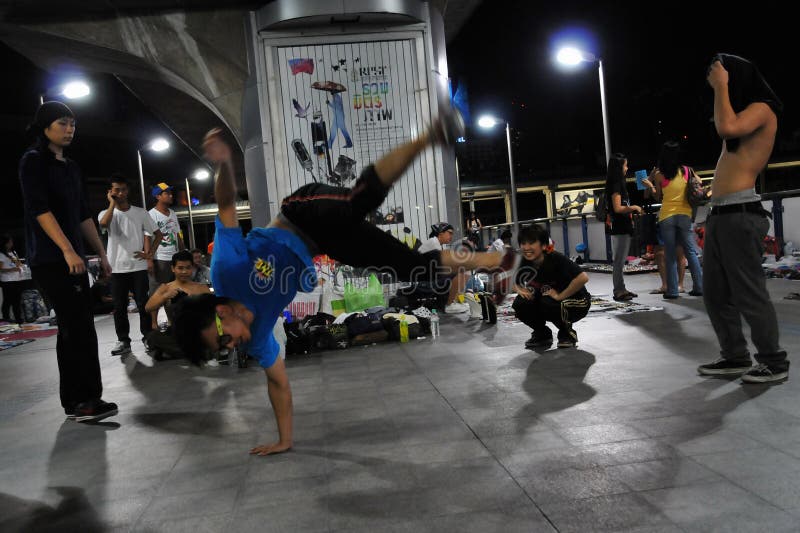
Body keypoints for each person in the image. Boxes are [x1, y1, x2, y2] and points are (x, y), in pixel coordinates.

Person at [173, 112, 516, 456]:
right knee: (413, 268)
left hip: (301, 213)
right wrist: (285, 440)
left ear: (220, 311)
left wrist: (223, 164)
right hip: (325, 244)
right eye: (223, 349)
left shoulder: (227, 270)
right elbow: (277, 382)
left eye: (223, 339)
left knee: (357, 202)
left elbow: (228, 206)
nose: (231, 346)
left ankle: (429, 135)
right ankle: (495, 260)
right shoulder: (257, 336)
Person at [19, 101, 117, 422]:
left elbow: (82, 215)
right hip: (50, 259)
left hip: (73, 258)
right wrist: (66, 250)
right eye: (62, 123)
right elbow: (39, 210)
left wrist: (101, 254)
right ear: (45, 126)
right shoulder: (33, 162)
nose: (69, 129)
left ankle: (77, 401)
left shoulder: (72, 167)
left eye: (73, 124)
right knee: (77, 327)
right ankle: (86, 400)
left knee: (76, 327)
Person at [697, 54, 789, 384]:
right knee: (715, 293)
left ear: (736, 78)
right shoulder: (741, 114)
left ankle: (773, 361)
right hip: (721, 214)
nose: (715, 79)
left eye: (722, 75)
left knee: (748, 293)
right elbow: (727, 128)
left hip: (740, 213)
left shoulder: (763, 109)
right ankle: (735, 356)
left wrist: (720, 86)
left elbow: (727, 127)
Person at [98, 173, 162, 355]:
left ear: (128, 191)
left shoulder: (140, 212)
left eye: (123, 189)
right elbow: (103, 224)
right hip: (117, 268)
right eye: (116, 189)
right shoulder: (105, 213)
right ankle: (123, 341)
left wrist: (150, 254)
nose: (120, 193)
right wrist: (112, 204)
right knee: (119, 307)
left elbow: (158, 234)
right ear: (110, 192)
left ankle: (147, 337)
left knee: (143, 304)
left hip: (138, 267)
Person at [512, 224, 591, 349]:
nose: (526, 248)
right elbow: (513, 281)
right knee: (520, 303)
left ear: (543, 245)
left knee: (549, 302)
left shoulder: (556, 258)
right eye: (523, 243)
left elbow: (583, 278)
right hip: (548, 299)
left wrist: (560, 296)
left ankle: (567, 334)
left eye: (531, 243)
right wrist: (519, 288)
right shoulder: (523, 261)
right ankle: (542, 334)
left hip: (577, 302)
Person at [642, 141, 703, 299]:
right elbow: (700, 183)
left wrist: (650, 185)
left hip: (667, 216)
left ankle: (673, 291)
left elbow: (657, 196)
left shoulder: (659, 174)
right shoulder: (687, 170)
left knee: (669, 254)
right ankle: (699, 287)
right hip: (685, 215)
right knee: (690, 252)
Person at [144, 250, 211, 360]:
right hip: (176, 333)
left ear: (192, 268)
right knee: (152, 337)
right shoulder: (166, 288)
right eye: (180, 268)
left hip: (197, 333)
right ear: (173, 269)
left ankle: (184, 351)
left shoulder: (201, 288)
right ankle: (190, 351)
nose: (184, 271)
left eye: (188, 268)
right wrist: (165, 297)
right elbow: (148, 307)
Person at [604, 153, 641, 301]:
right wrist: (635, 207)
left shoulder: (616, 183)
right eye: (625, 165)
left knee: (620, 260)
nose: (627, 168)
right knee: (619, 260)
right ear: (619, 167)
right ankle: (619, 290)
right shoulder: (616, 185)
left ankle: (621, 288)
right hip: (620, 227)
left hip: (620, 227)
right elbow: (618, 208)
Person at [148, 182, 184, 330]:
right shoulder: (151, 214)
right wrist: (150, 259)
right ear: (157, 196)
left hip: (174, 258)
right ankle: (154, 324)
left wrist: (183, 252)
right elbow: (147, 238)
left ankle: (170, 322)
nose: (170, 195)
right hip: (160, 258)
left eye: (170, 192)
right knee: (158, 292)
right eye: (166, 193)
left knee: (173, 292)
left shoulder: (173, 213)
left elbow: (178, 234)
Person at [418, 222, 469, 314]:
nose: (451, 236)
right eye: (449, 233)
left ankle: (451, 302)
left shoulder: (435, 243)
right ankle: (449, 305)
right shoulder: (433, 242)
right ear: (441, 233)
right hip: (424, 282)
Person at [0, 234, 25, 324]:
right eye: (10, 242)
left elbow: (18, 263)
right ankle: (6, 318)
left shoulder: (13, 252)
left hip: (16, 279)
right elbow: (1, 269)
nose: (12, 243)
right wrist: (12, 269)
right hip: (7, 281)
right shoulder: (1, 255)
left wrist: (20, 265)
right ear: (5, 243)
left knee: (17, 301)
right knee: (8, 300)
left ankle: (18, 318)